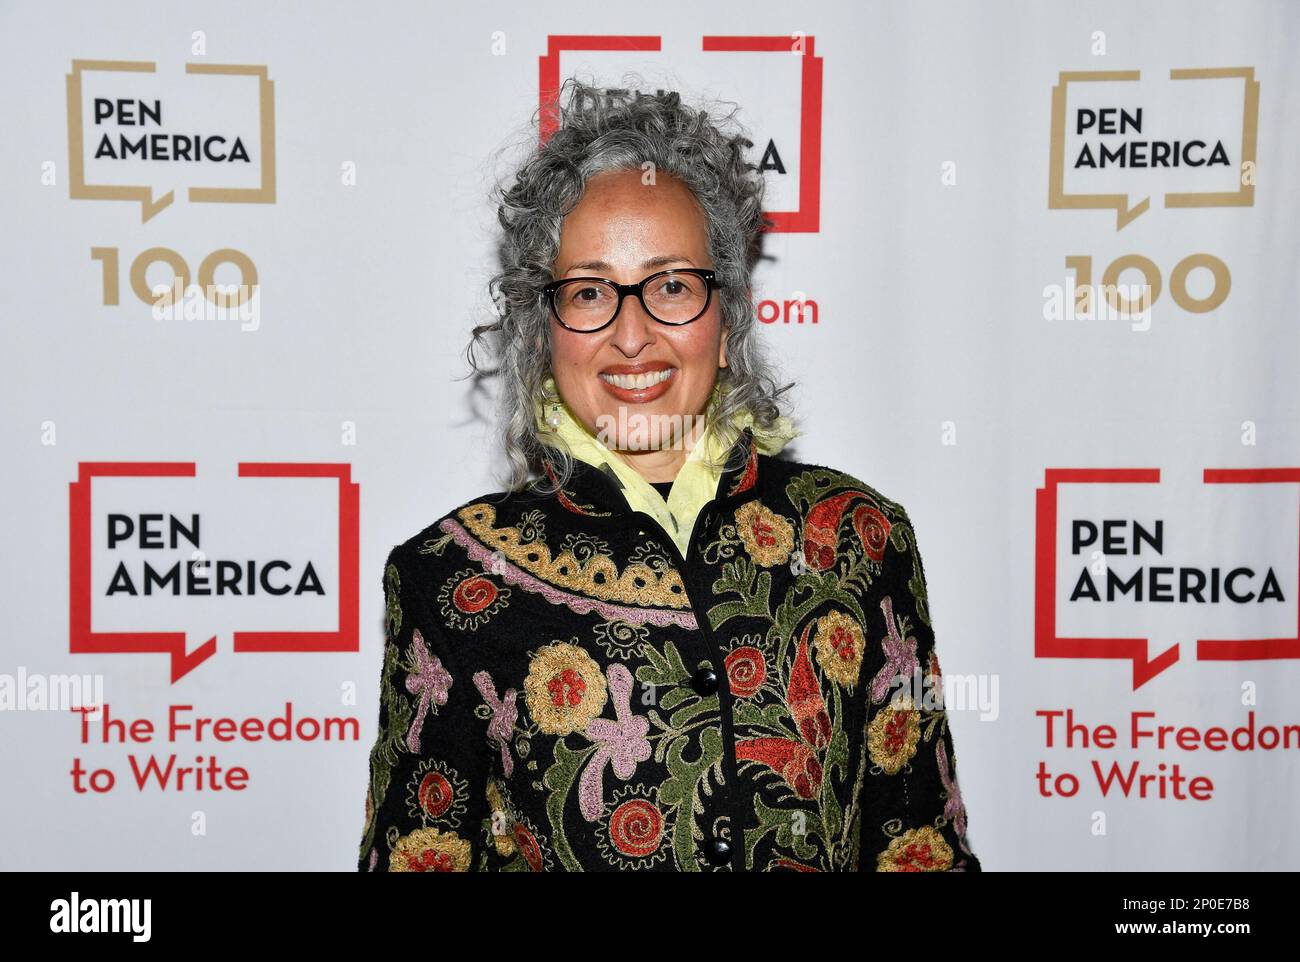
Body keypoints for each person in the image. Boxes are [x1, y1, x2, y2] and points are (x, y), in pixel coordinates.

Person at [357, 77, 981, 872]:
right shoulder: (449, 577)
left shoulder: (859, 540)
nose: (632, 333)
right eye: (588, 293)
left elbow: (920, 850)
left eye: (672, 286)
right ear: (543, 330)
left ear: (728, 321)